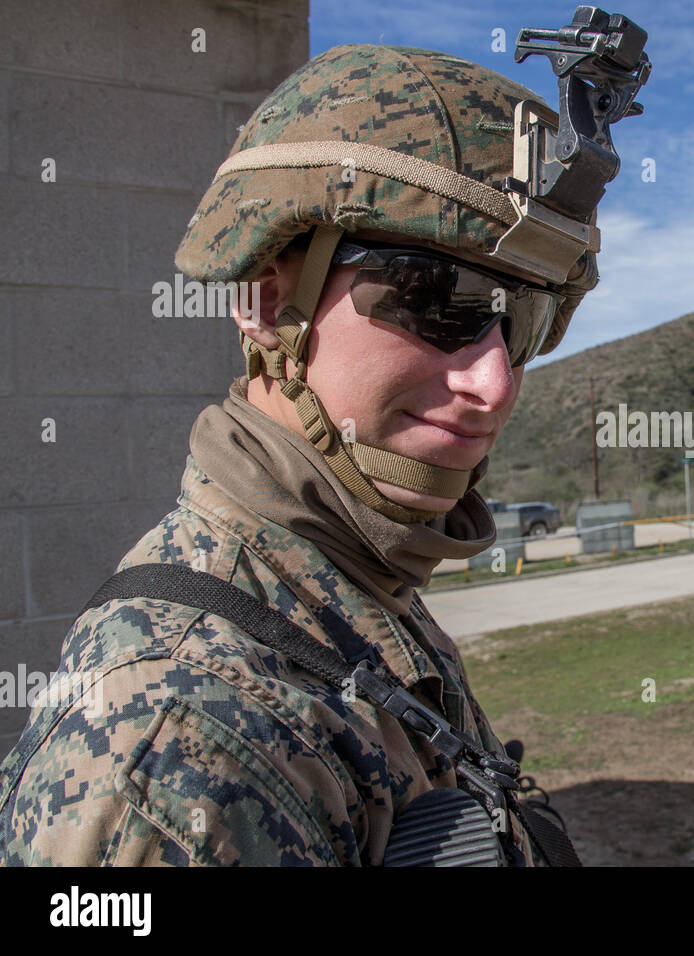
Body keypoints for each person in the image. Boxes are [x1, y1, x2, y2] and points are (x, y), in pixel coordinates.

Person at [0, 29, 645, 866]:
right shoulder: (181, 743)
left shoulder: (348, 585)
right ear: (271, 308)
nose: (494, 381)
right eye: (436, 300)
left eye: (523, 322)